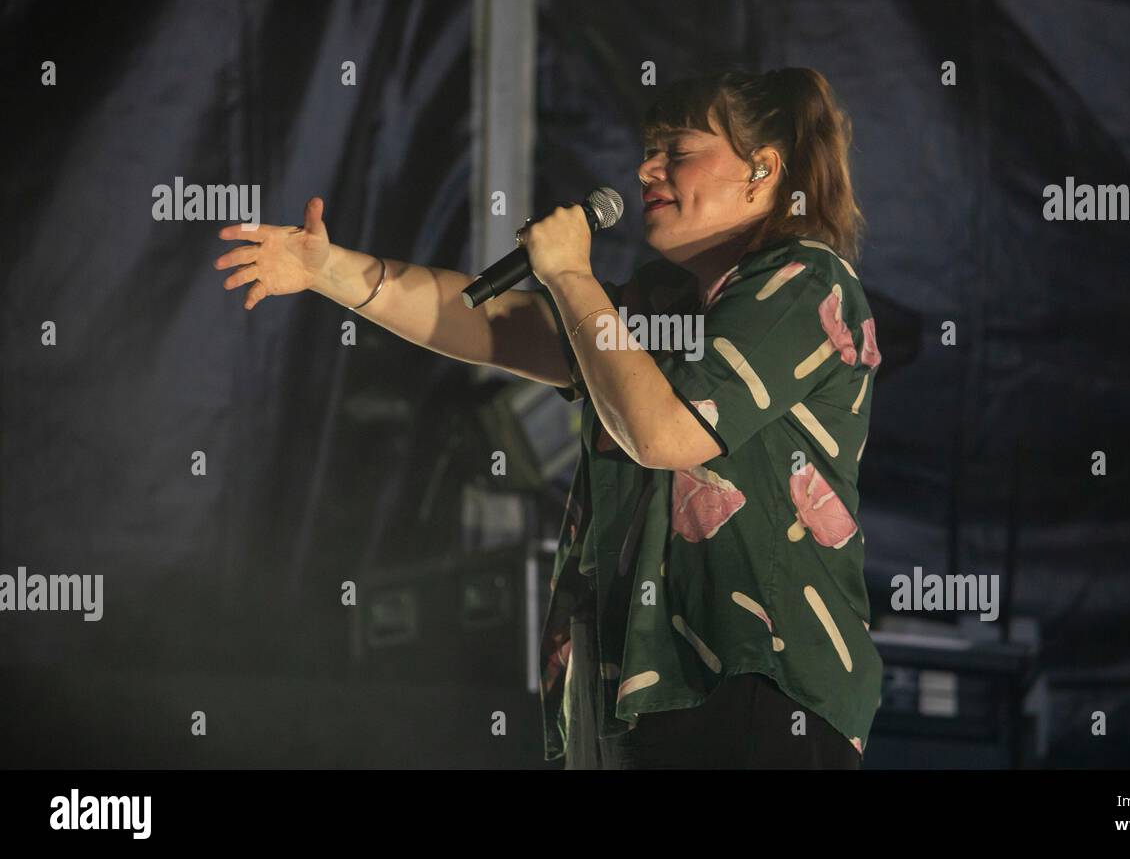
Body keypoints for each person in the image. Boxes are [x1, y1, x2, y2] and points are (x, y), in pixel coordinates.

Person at [213, 66, 884, 770]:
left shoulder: (805, 280)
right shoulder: (660, 305)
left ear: (763, 170)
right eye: (647, 147)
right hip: (636, 696)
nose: (645, 168)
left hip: (754, 689)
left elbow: (666, 433)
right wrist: (330, 272)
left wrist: (569, 276)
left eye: (676, 149)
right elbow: (492, 326)